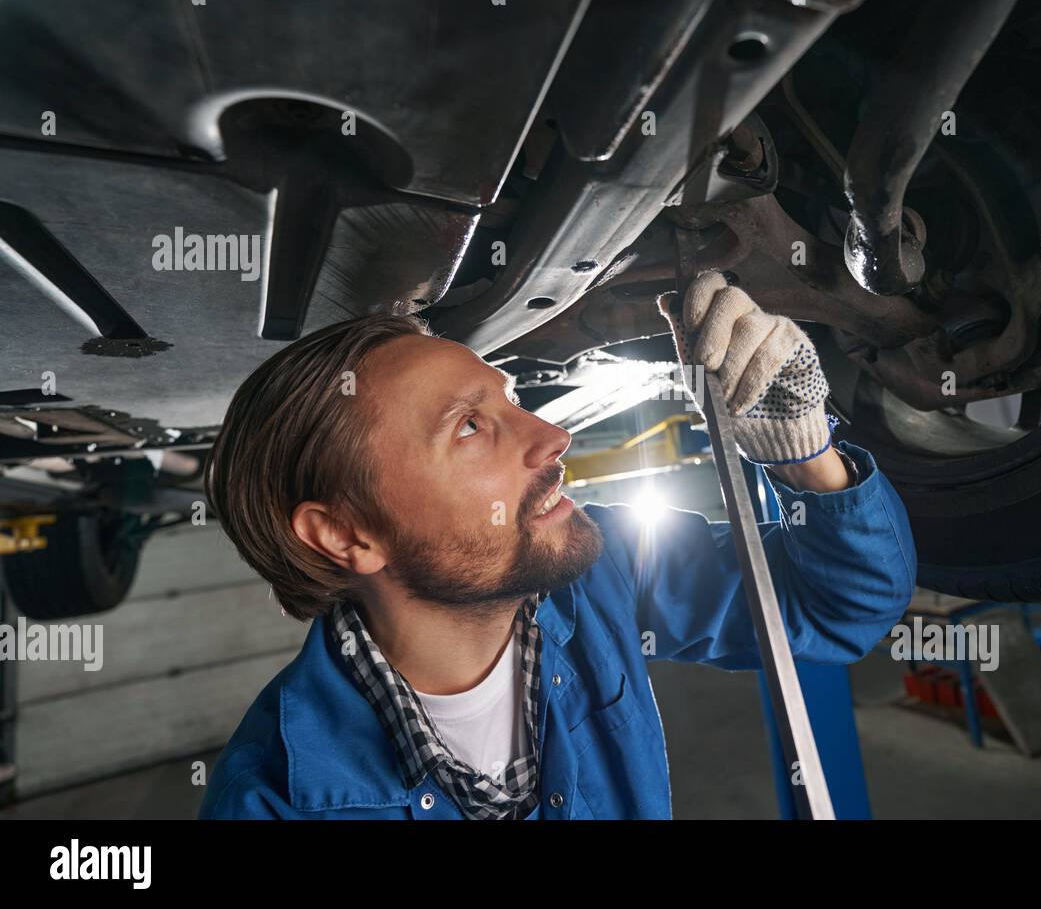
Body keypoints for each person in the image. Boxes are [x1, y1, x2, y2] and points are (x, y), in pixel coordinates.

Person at [197, 272, 917, 819]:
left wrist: (800, 448)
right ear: (345, 535)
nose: (552, 437)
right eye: (471, 428)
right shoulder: (273, 802)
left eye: (509, 400)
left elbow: (834, 612)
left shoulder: (601, 574)